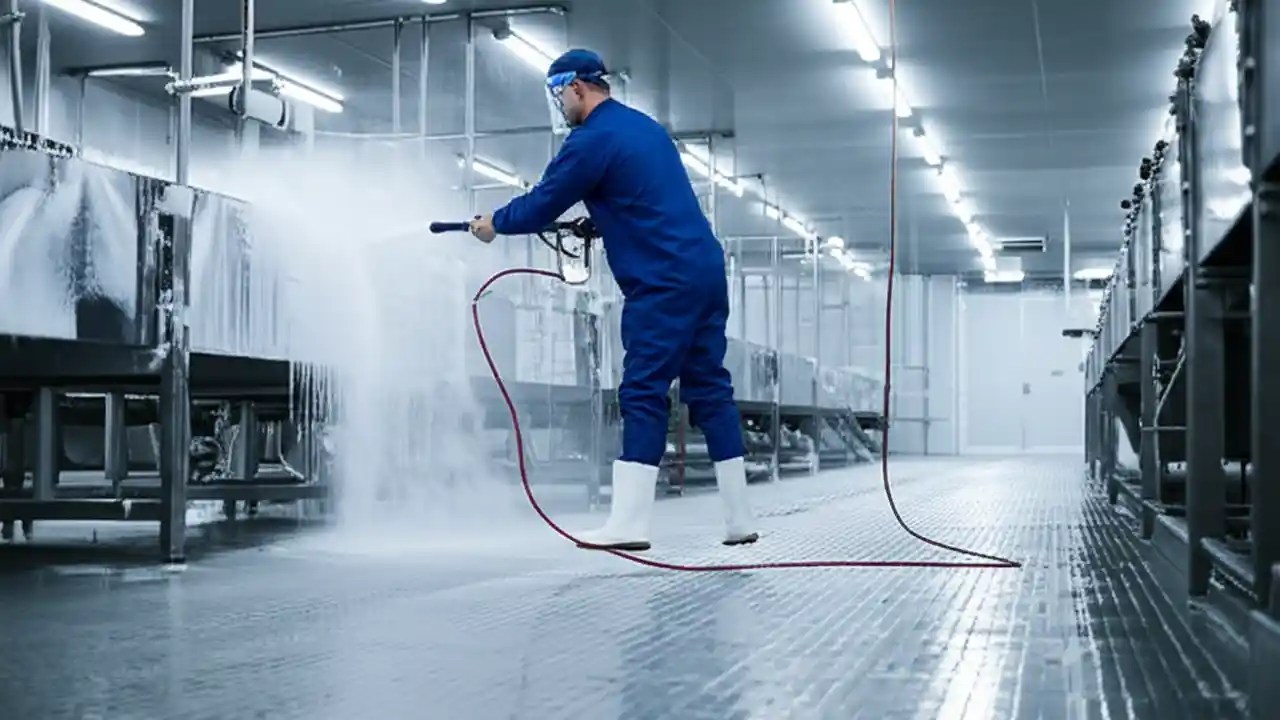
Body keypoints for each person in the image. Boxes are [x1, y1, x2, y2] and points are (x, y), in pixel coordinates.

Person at [469, 49, 758, 552]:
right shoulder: (644, 128)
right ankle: (740, 520)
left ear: (577, 88)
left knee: (642, 390)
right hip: (705, 270)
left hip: (663, 280)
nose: (560, 106)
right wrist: (600, 222)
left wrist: (495, 223)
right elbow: (647, 199)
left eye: (559, 95)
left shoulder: (591, 139)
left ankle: (629, 523)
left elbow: (542, 202)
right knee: (710, 389)